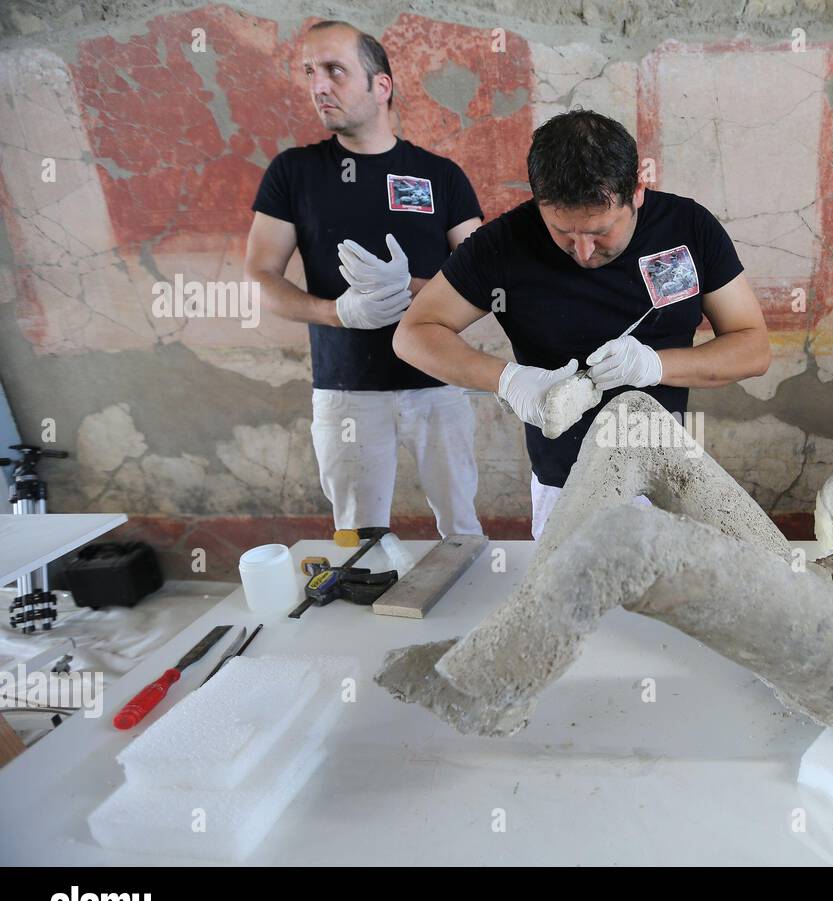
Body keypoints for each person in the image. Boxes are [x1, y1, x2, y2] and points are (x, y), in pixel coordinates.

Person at [391, 109, 771, 537]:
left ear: (637, 193)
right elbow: (413, 334)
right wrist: (510, 381)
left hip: (668, 479)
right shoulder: (505, 243)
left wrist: (655, 366)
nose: (584, 251)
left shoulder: (688, 228)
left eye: (600, 232)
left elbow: (753, 348)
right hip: (563, 486)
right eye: (563, 233)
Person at [243, 19, 483, 538]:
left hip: (437, 383)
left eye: (334, 70)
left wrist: (411, 291)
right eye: (310, 71)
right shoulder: (294, 172)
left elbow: (484, 281)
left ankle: (474, 617)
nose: (318, 85)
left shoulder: (441, 175)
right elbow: (261, 276)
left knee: (462, 529)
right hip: (346, 389)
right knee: (356, 536)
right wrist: (338, 311)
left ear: (381, 86)